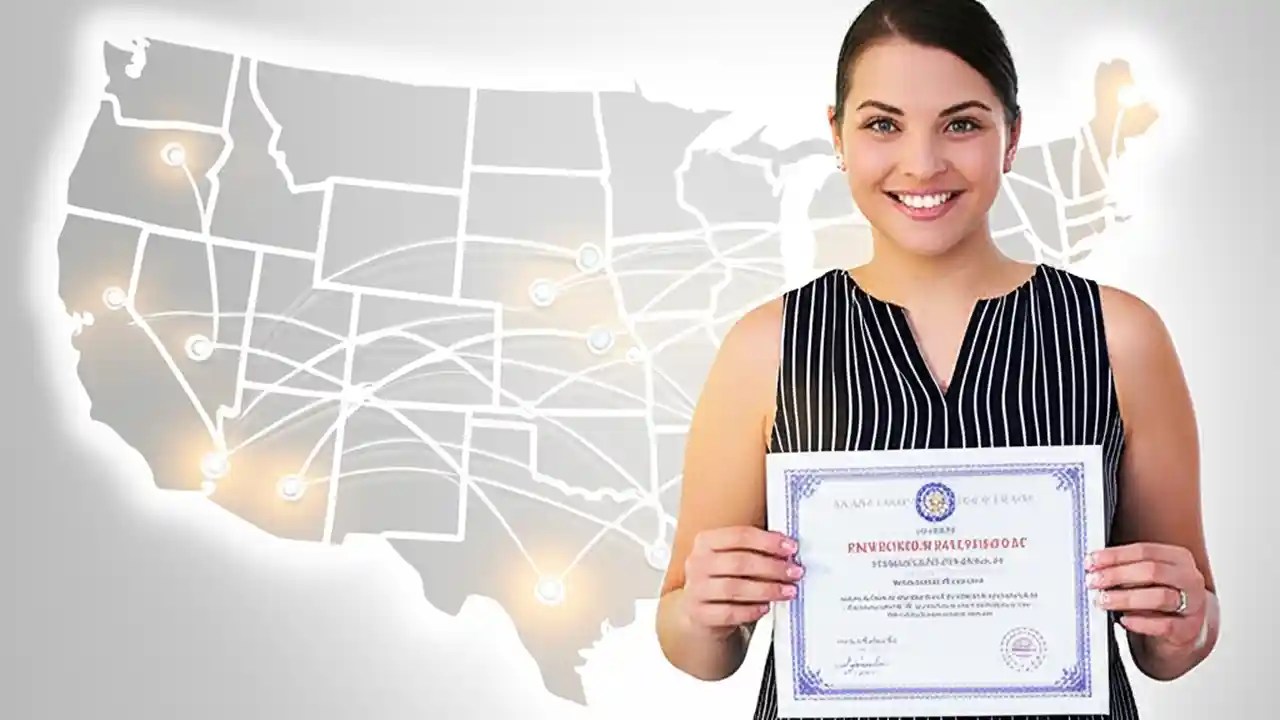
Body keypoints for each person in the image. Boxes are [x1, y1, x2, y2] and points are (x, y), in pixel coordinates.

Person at [653, 1, 1219, 718]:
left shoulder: (1119, 336)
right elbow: (694, 645)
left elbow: (1176, 640)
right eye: (883, 124)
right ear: (837, 135)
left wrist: (1181, 617)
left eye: (962, 123)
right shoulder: (766, 345)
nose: (922, 163)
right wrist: (704, 612)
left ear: (1011, 136)